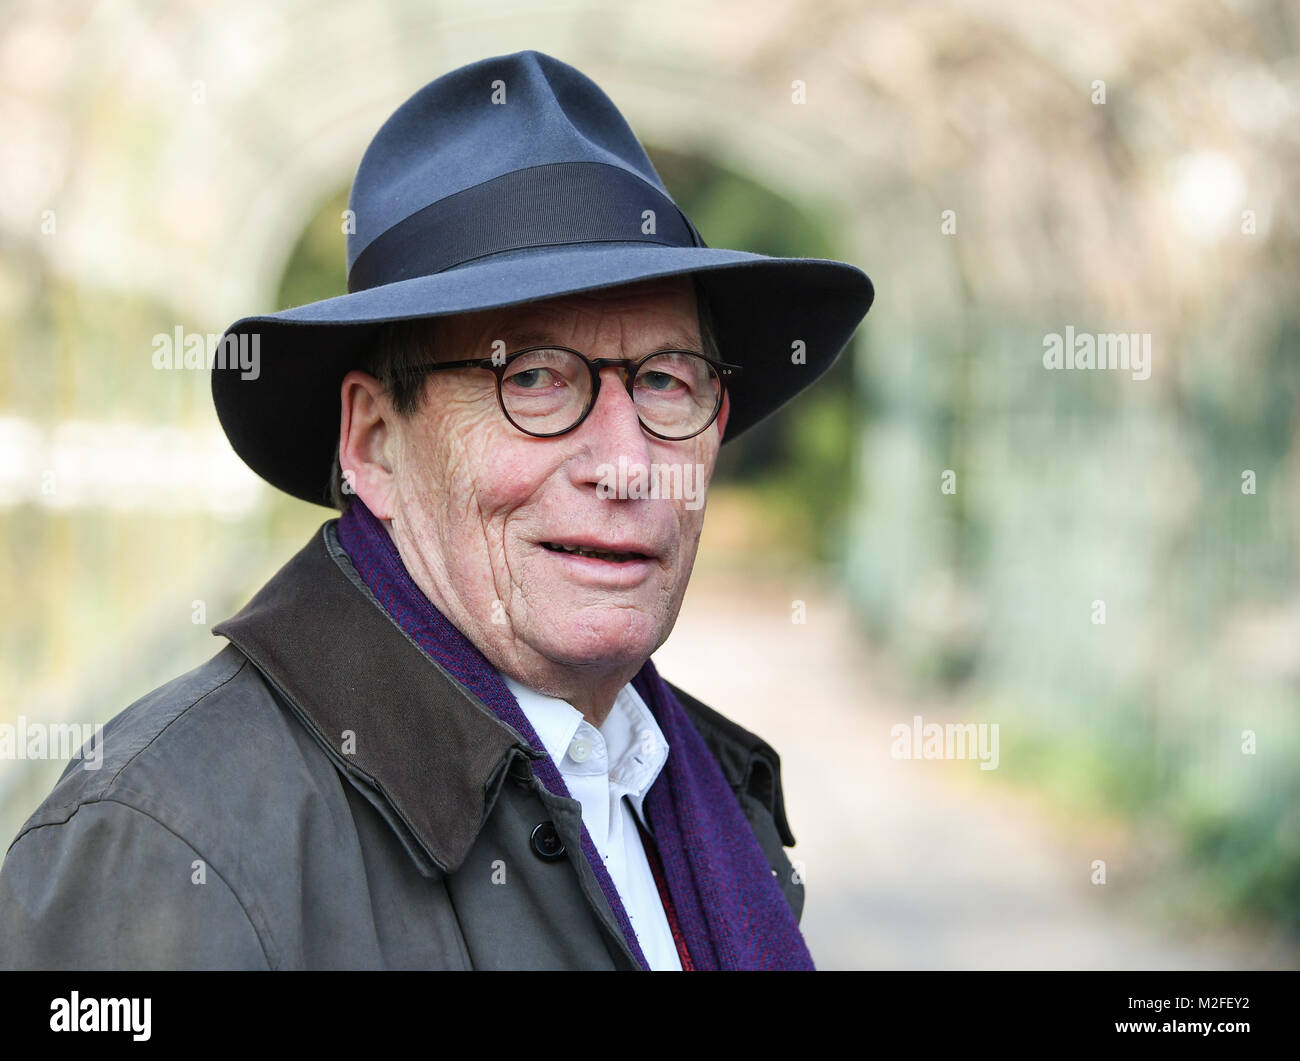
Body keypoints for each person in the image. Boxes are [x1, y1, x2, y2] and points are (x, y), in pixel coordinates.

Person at [0, 49, 873, 970]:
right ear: (375, 441)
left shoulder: (686, 788)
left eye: (665, 380)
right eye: (532, 378)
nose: (627, 465)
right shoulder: (166, 848)